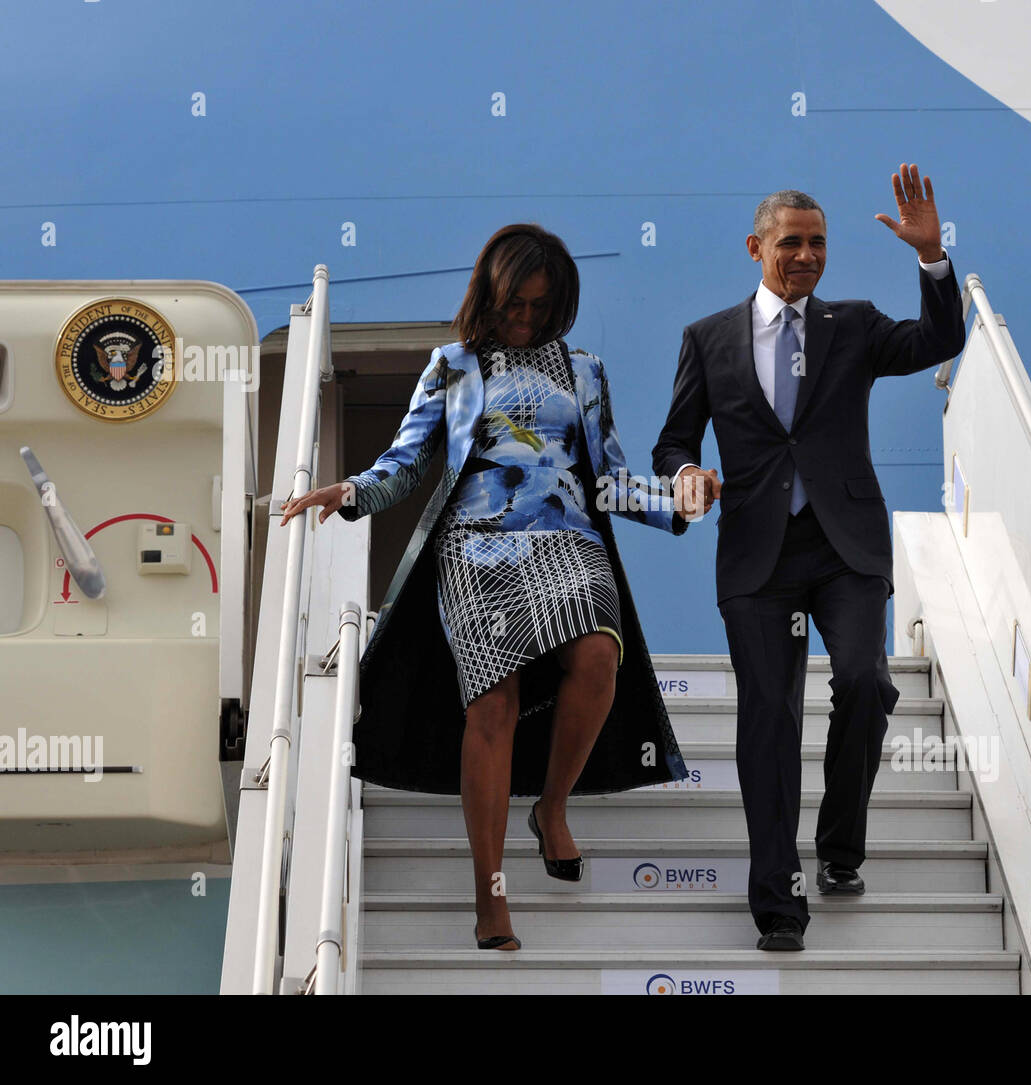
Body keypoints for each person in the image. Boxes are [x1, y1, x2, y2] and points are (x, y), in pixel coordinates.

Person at [281, 223, 690, 950]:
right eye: (514, 305)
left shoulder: (586, 370)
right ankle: (490, 890)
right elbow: (406, 466)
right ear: (489, 296)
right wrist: (346, 490)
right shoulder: (452, 365)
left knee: (599, 653)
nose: (526, 319)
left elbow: (615, 480)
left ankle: (552, 807)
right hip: (478, 547)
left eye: (540, 306)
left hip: (569, 539)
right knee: (493, 702)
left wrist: (676, 502)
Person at [654, 167, 967, 950]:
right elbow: (673, 440)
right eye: (791, 242)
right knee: (770, 719)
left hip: (845, 546)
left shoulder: (852, 324)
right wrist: (685, 475)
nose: (806, 255)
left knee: (864, 681)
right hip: (759, 556)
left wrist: (931, 257)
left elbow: (941, 339)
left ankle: (839, 844)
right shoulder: (709, 338)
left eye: (818, 242)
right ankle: (778, 903)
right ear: (756, 247)